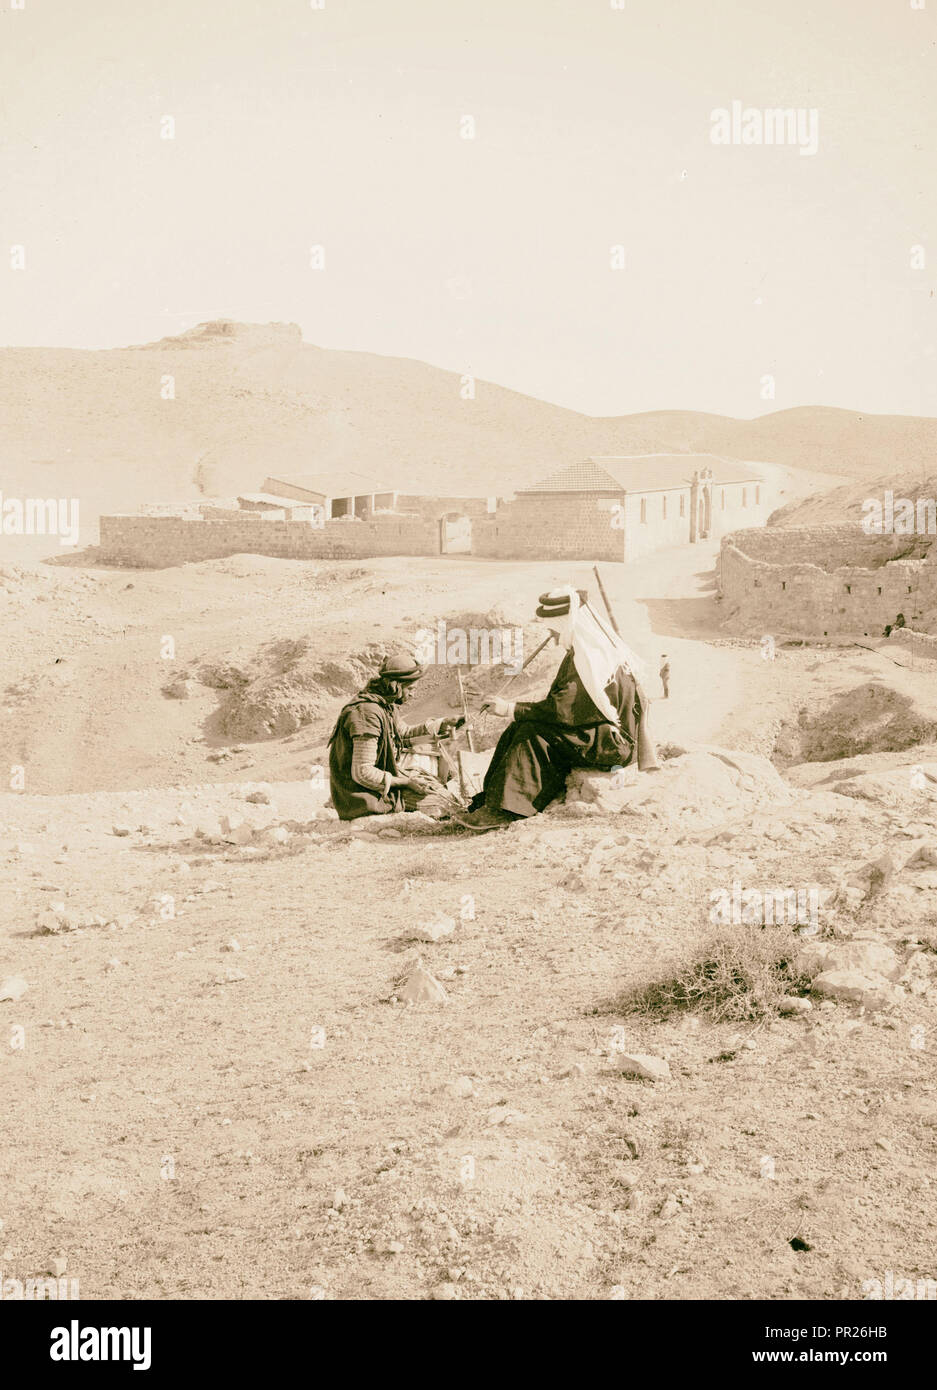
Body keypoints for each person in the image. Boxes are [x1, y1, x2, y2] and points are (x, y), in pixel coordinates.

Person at [456, 586, 659, 831]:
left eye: (553, 629)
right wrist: (514, 711)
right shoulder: (590, 651)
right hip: (601, 734)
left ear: (565, 623)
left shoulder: (590, 658)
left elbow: (561, 711)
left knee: (531, 735)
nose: (552, 636)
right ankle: (491, 801)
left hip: (614, 745)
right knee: (520, 725)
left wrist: (509, 708)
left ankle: (507, 810)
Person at [328, 651, 463, 820]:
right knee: (446, 805)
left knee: (443, 791)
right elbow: (363, 772)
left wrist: (442, 724)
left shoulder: (385, 703)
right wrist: (407, 782)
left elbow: (403, 733)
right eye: (411, 688)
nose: (413, 694)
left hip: (381, 780)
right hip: (362, 794)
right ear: (395, 685)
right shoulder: (367, 714)